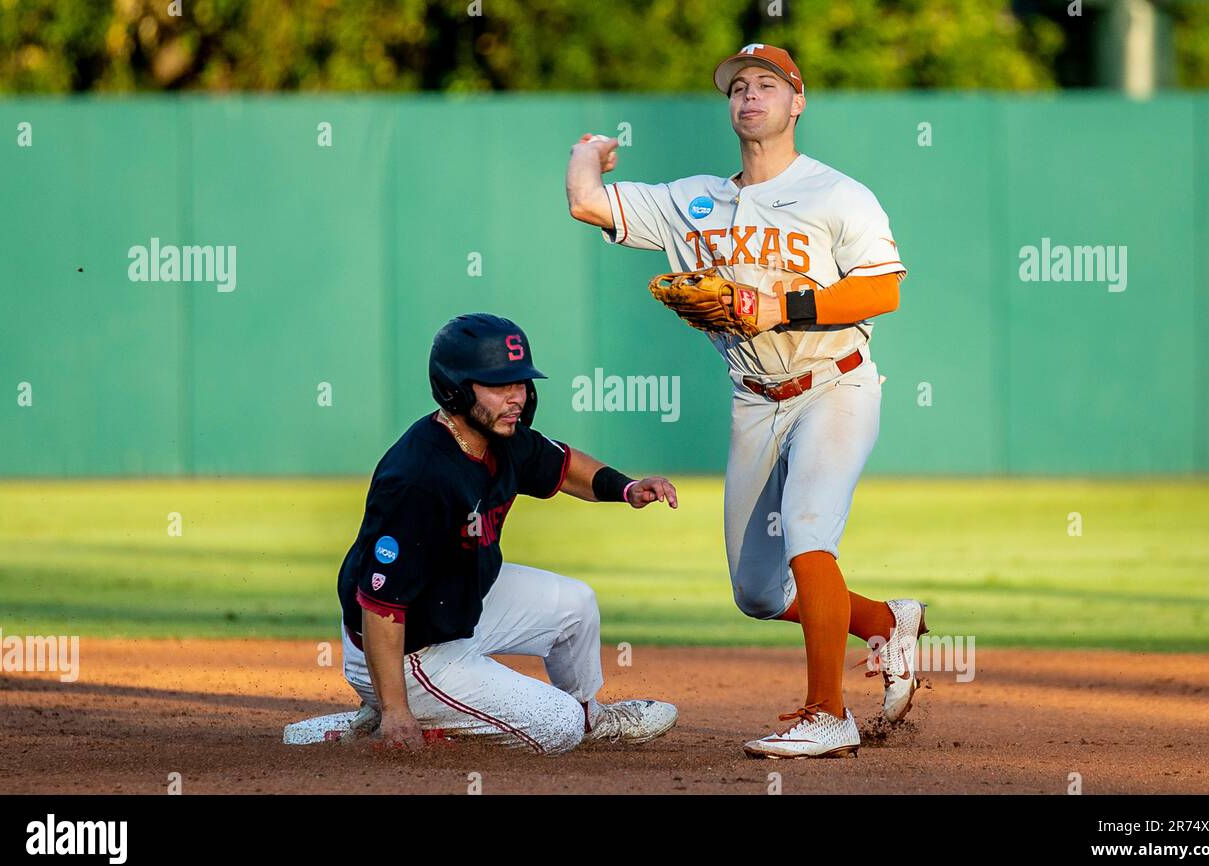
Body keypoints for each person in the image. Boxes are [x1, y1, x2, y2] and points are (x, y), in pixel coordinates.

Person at [564, 44, 927, 759]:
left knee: (808, 529)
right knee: (758, 594)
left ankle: (829, 712)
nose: (749, 96)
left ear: (797, 103)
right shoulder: (692, 201)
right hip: (755, 399)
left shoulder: (837, 194)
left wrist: (781, 302)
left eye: (767, 85)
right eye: (738, 87)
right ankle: (886, 620)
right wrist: (589, 149)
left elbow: (882, 288)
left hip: (834, 382)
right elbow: (585, 202)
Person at [337, 313, 679, 754]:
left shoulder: (504, 437)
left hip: (456, 604)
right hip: (406, 651)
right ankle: (396, 717)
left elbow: (565, 465)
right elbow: (381, 605)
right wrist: (396, 709)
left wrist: (627, 488)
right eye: (499, 386)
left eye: (520, 383)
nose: (516, 397)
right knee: (557, 727)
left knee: (576, 605)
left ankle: (589, 718)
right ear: (455, 390)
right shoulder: (419, 479)